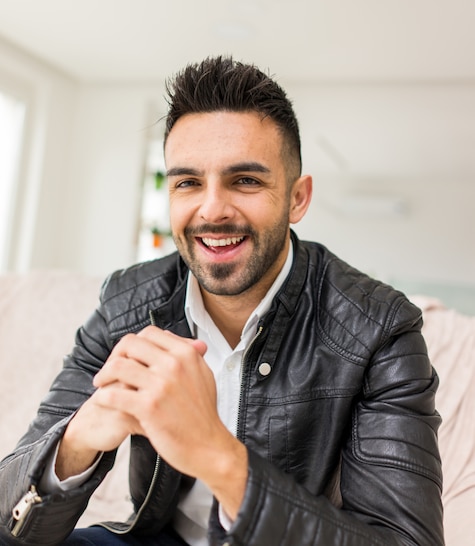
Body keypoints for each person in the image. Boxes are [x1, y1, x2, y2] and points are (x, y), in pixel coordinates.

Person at [0, 56, 444, 546]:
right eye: (188, 182)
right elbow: (8, 514)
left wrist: (217, 457)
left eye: (246, 180)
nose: (211, 209)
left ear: (298, 198)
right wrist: (79, 438)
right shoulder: (126, 301)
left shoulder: (381, 327)